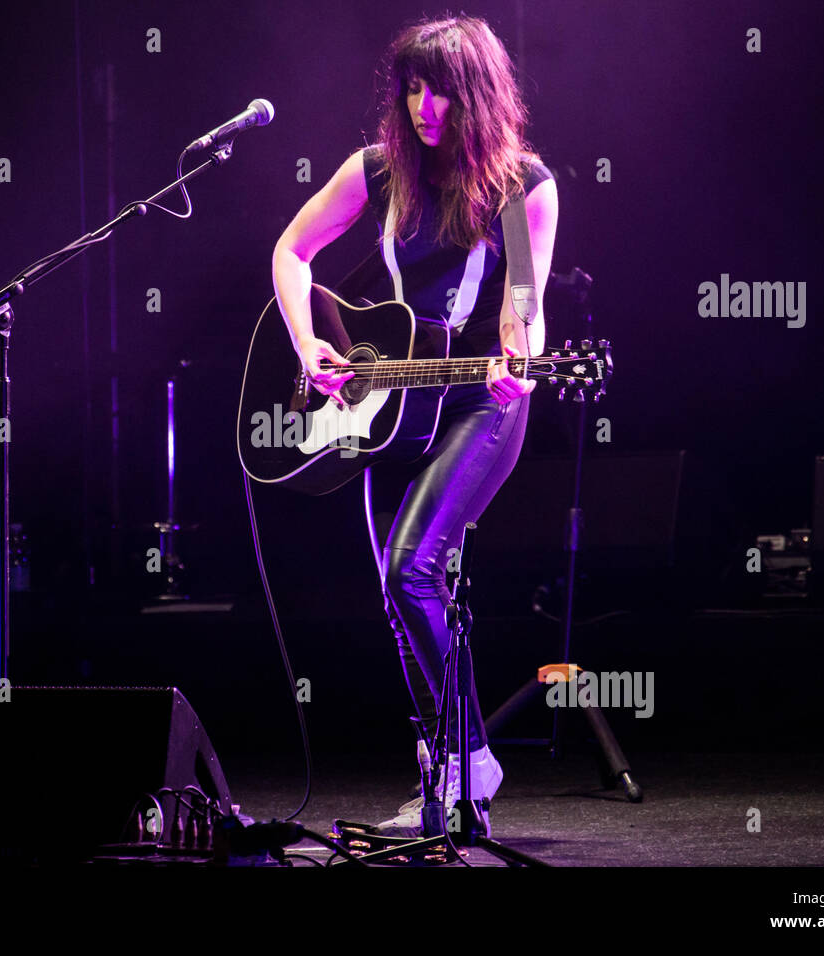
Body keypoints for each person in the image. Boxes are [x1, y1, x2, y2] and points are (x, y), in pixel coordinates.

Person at [270, 15, 558, 835]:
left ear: (478, 96)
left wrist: (519, 358)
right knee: (401, 598)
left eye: (438, 90)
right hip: (390, 401)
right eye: (410, 87)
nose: (422, 105)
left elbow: (524, 311)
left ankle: (468, 761)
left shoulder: (521, 186)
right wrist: (309, 342)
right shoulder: (376, 170)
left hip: (478, 400)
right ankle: (448, 773)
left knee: (411, 571)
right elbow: (293, 251)